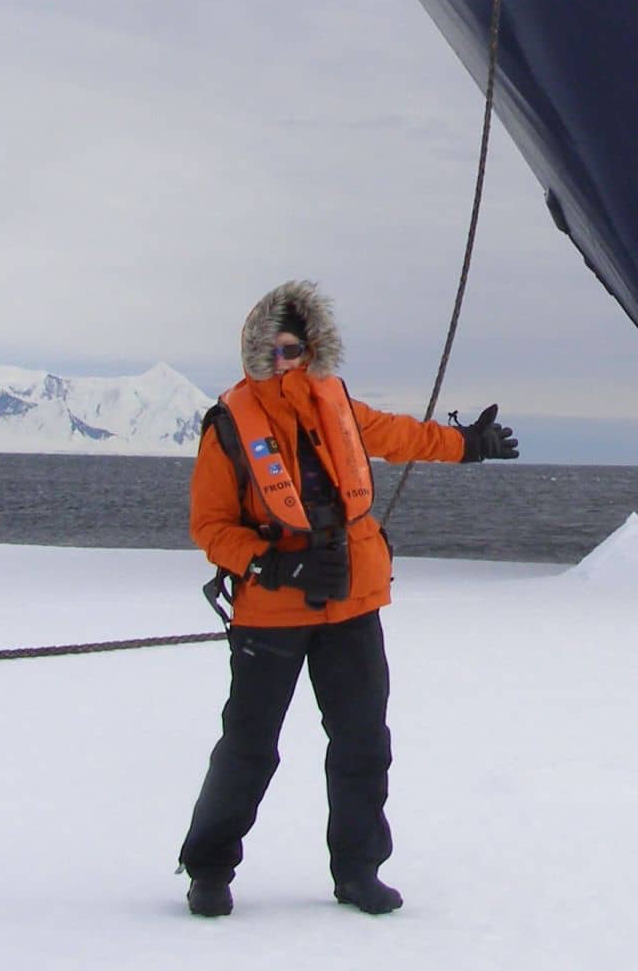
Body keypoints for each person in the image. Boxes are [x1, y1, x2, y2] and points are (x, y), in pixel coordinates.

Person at [177, 279, 518, 919]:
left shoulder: (339, 406)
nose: (290, 360)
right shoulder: (228, 428)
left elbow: (400, 437)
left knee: (363, 744)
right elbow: (210, 527)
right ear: (256, 351)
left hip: (353, 604)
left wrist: (469, 444)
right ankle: (209, 869)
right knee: (249, 748)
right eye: (278, 349)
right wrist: (274, 565)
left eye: (300, 348)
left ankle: (359, 872)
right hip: (270, 613)